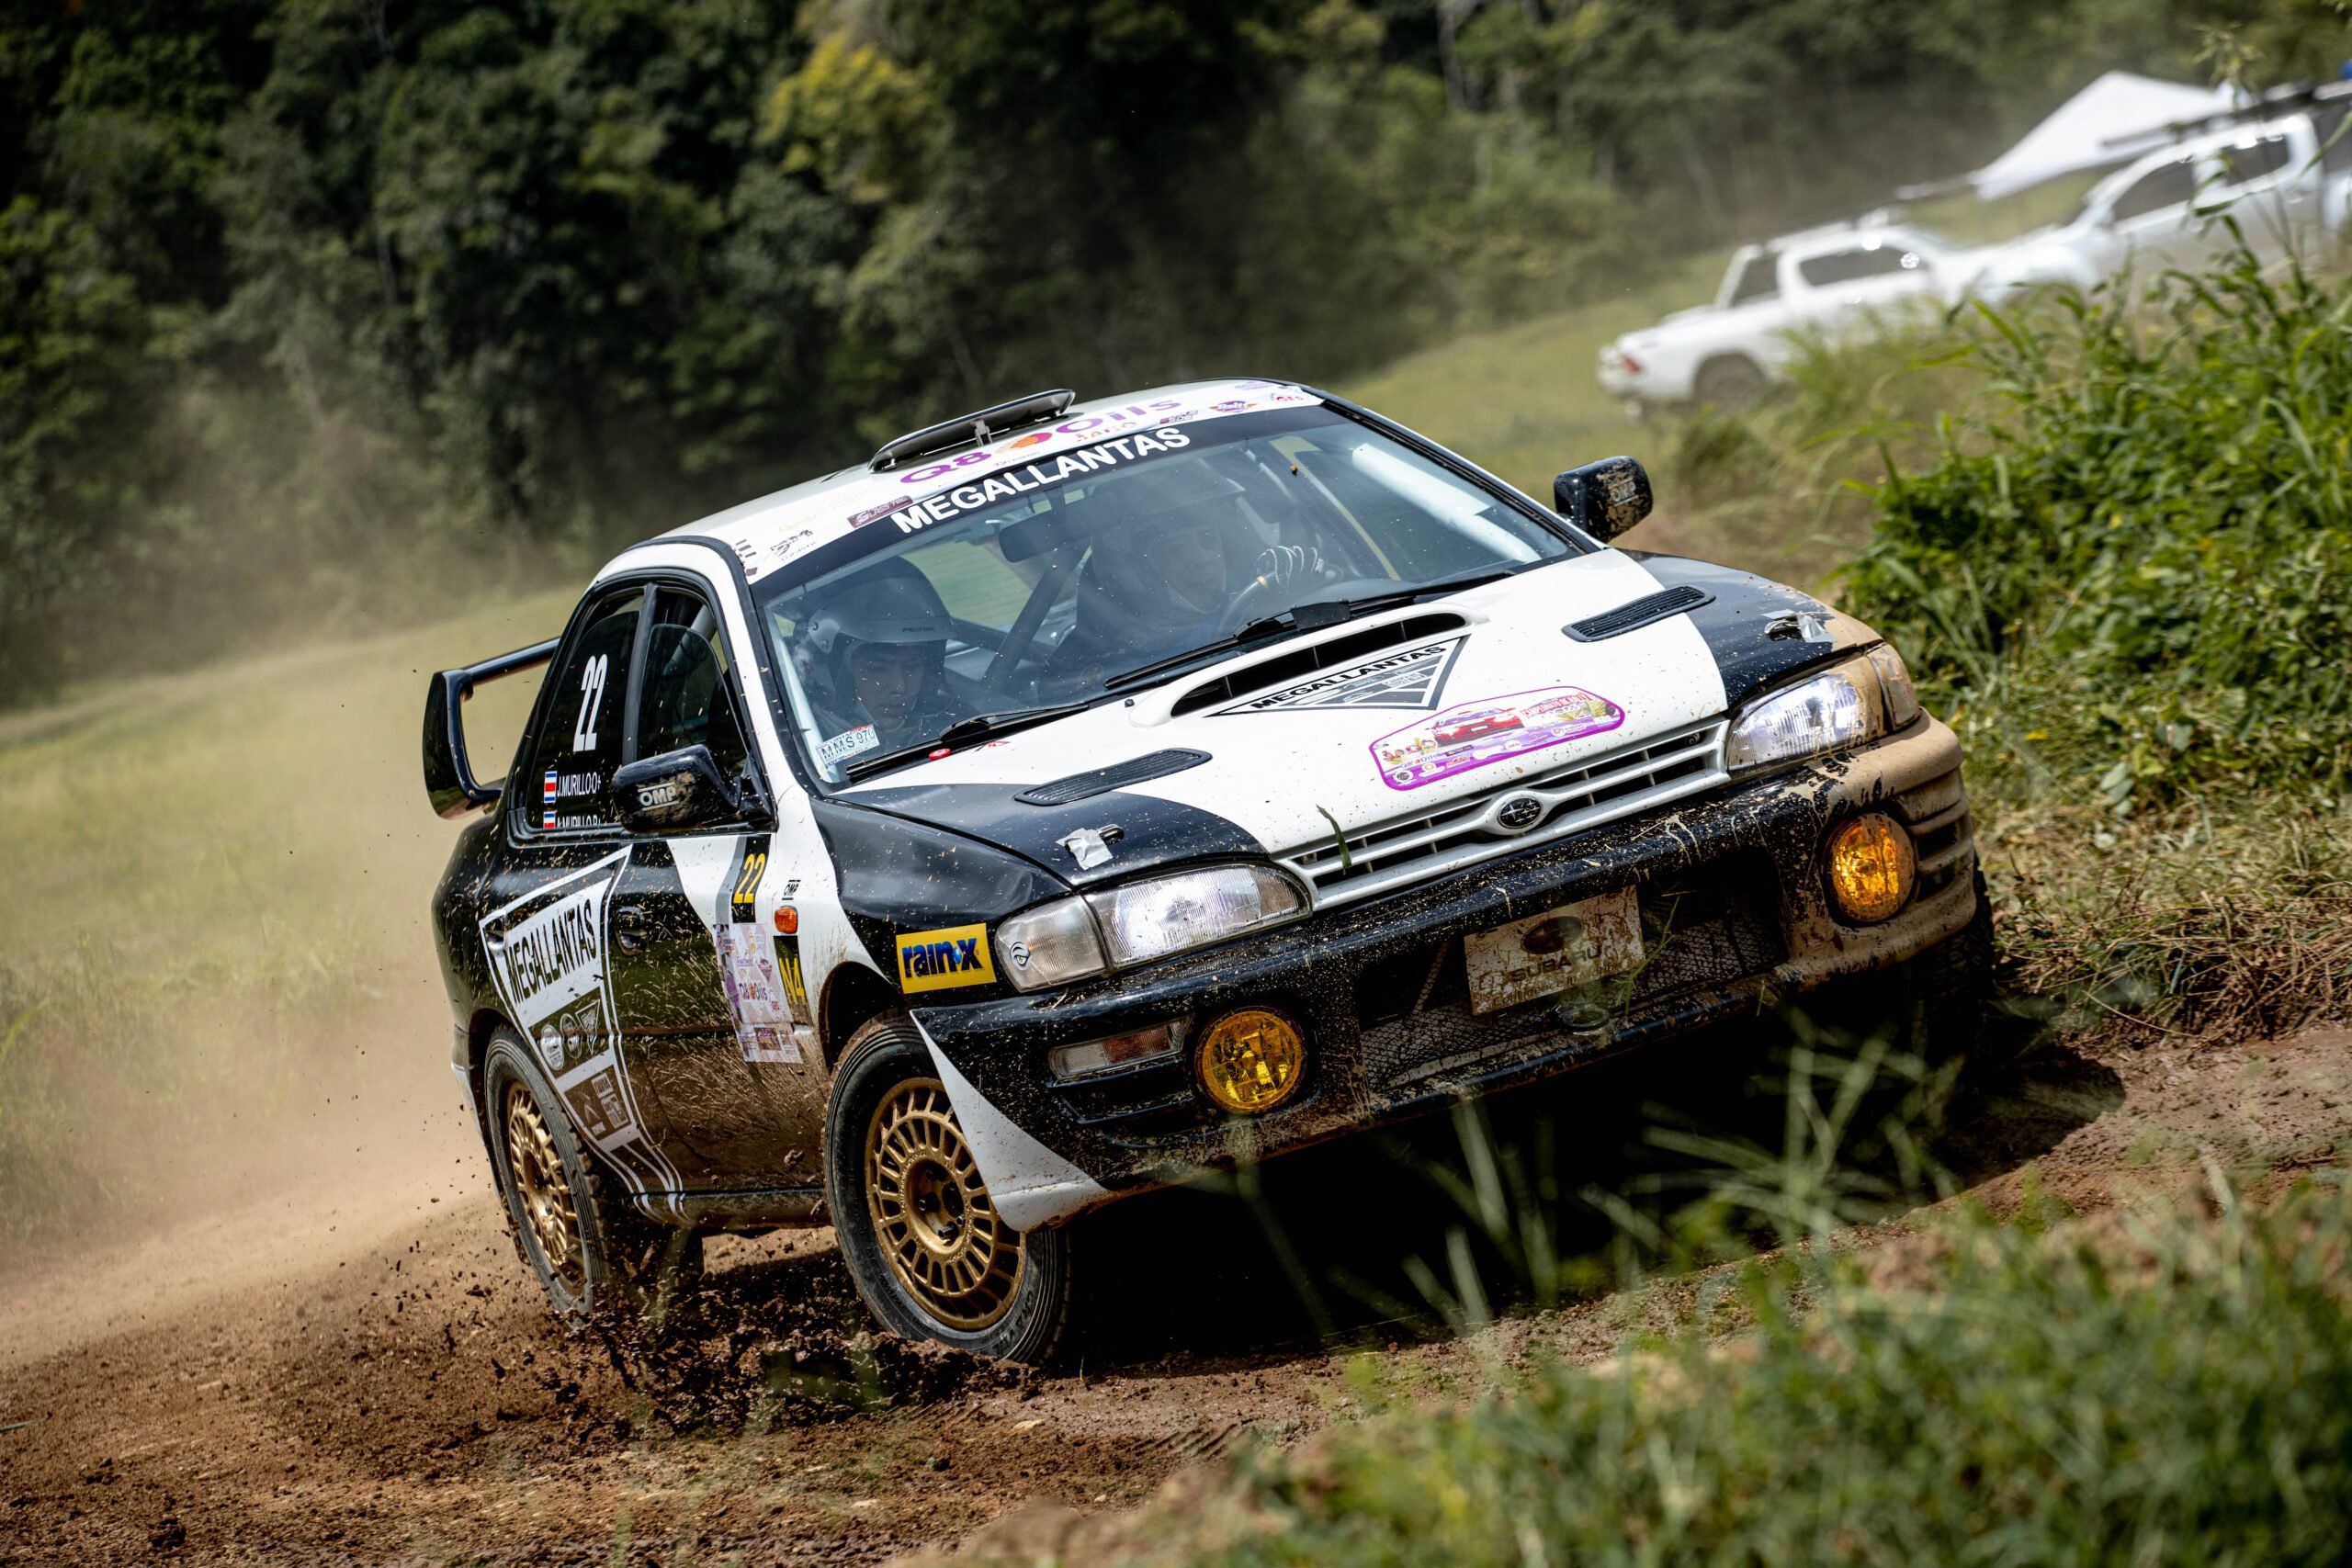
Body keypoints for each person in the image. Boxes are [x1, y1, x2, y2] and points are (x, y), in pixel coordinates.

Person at [1046, 458, 1326, 682]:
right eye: (1176, 547)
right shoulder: (1102, 657)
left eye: (1208, 540)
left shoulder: (1258, 596)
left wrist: (1300, 600)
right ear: (1134, 571)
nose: (1202, 559)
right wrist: (1245, 621)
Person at [804, 569, 970, 753]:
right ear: (829, 673)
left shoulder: (955, 722)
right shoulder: (800, 747)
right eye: (876, 668)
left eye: (912, 667)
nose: (899, 687)